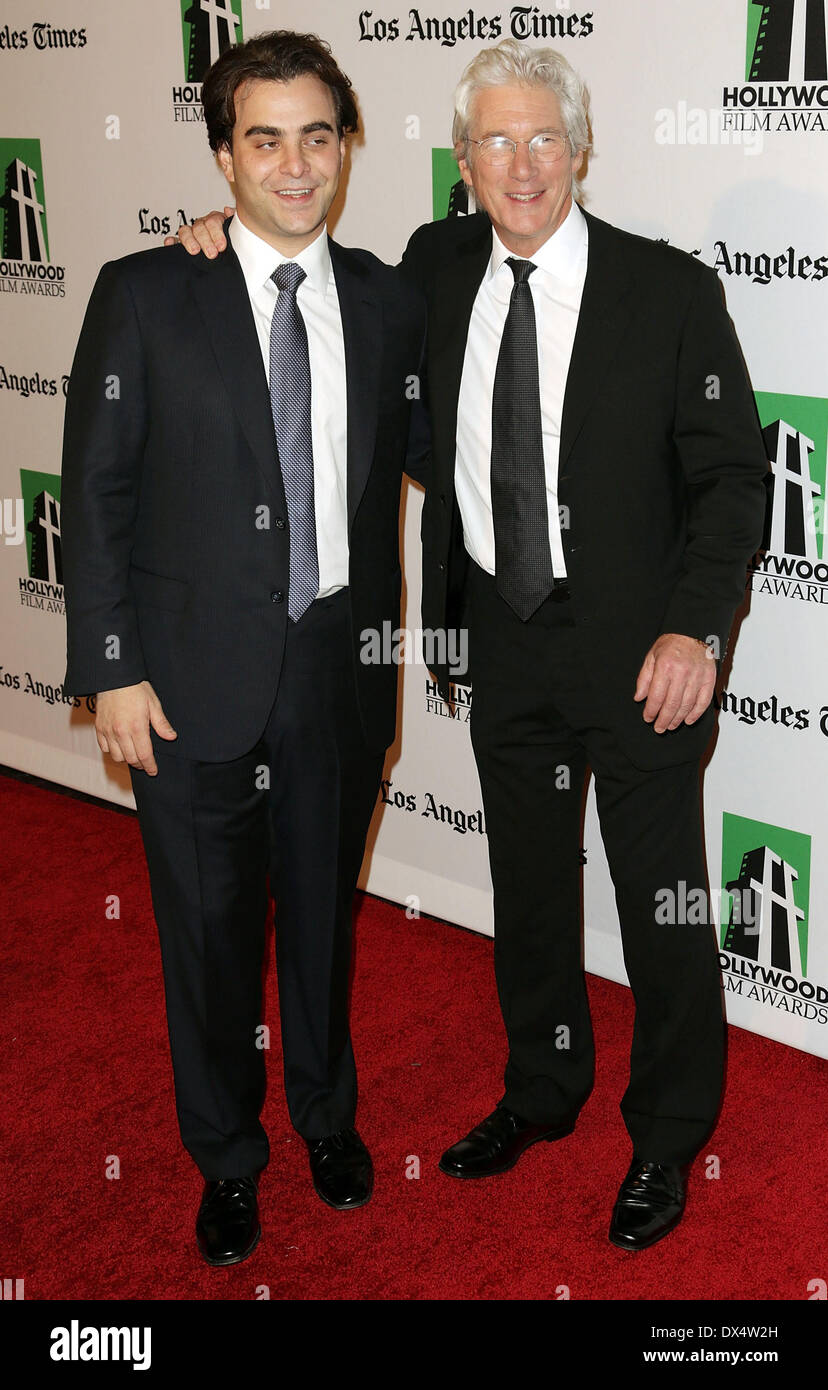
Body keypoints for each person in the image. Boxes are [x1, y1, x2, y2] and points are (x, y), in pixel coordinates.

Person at [176, 38, 768, 1251]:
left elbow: (731, 481)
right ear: (462, 159)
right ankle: (543, 1090)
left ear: (580, 149)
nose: (523, 164)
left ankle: (666, 1134)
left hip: (643, 652)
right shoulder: (433, 271)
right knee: (531, 890)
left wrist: (695, 628)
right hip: (502, 636)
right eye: (496, 140)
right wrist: (219, 240)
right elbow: (315, 301)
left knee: (661, 900)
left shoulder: (668, 291)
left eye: (544, 137)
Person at [61, 29, 426, 1267]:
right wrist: (110, 665)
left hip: (336, 674)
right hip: (184, 681)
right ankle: (226, 1155)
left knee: (323, 920)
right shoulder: (146, 291)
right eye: (264, 139)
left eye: (317, 135)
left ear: (346, 146)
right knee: (209, 941)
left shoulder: (388, 300)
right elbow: (96, 491)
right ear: (224, 155)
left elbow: (453, 436)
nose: (295, 164)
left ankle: (325, 1115)